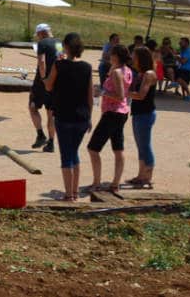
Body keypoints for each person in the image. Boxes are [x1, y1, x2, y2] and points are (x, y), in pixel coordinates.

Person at [44, 32, 94, 202]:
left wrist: (47, 70)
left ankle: (69, 195)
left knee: (67, 155)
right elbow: (90, 96)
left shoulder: (59, 65)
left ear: (65, 47)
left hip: (64, 116)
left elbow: (49, 86)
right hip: (81, 117)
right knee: (74, 153)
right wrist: (89, 117)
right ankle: (75, 191)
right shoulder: (87, 67)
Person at [87, 44, 132, 193]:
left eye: (111, 54)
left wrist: (102, 92)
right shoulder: (126, 70)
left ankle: (97, 182)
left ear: (116, 56)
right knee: (118, 149)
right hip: (121, 112)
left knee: (93, 148)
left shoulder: (117, 72)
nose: (108, 56)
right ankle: (115, 183)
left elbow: (119, 95)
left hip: (113, 113)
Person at [128, 45, 158, 189]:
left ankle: (148, 177)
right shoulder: (140, 73)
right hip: (138, 113)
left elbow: (141, 95)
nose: (132, 59)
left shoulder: (149, 74)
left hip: (145, 113)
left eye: (134, 56)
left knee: (145, 145)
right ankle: (141, 175)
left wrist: (123, 93)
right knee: (141, 146)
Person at [30, 23, 61, 153]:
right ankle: (51, 143)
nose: (37, 38)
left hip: (42, 82)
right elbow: (62, 60)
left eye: (37, 35)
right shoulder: (59, 43)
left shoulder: (42, 43)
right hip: (57, 81)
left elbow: (41, 61)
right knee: (51, 113)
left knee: (33, 107)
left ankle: (40, 134)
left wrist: (43, 79)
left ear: (41, 33)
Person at [175, 37, 190, 102]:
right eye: (180, 42)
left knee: (179, 79)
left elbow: (183, 61)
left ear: (187, 43)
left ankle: (189, 94)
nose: (180, 43)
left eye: (181, 42)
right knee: (178, 74)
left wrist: (177, 57)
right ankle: (185, 95)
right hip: (184, 70)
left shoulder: (189, 51)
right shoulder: (183, 50)